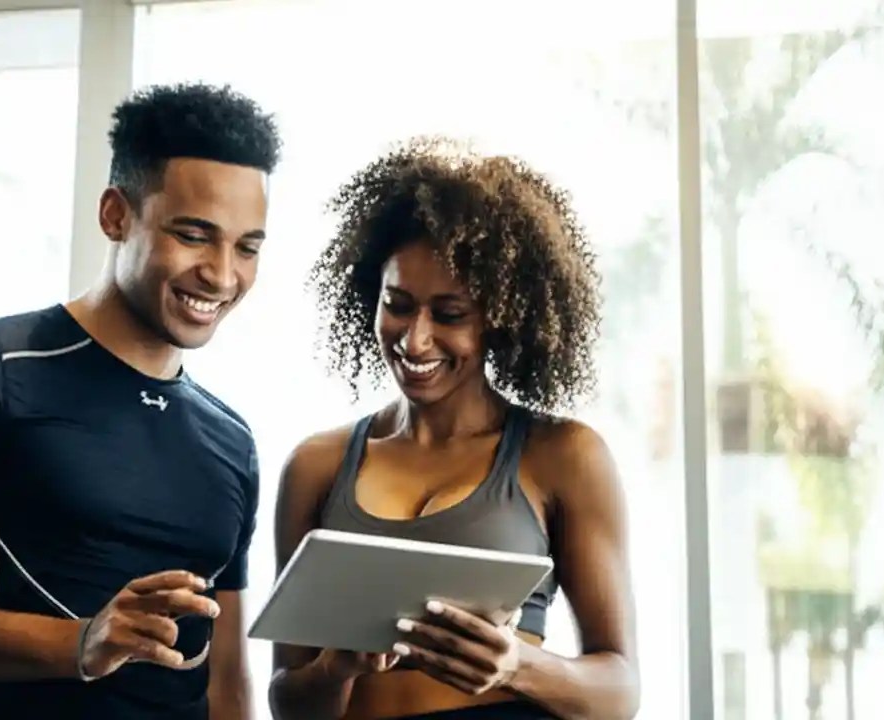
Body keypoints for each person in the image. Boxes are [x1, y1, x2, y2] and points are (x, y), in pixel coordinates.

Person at [0, 82, 281, 720]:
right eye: (193, 235)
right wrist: (80, 644)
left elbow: (226, 683)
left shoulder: (231, 441)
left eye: (247, 247)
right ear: (115, 216)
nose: (222, 273)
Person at [268, 137, 639, 720]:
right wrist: (336, 668)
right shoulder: (317, 465)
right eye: (397, 304)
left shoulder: (563, 455)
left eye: (450, 315)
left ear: (501, 318)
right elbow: (290, 704)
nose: (415, 340)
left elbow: (619, 692)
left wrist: (515, 665)